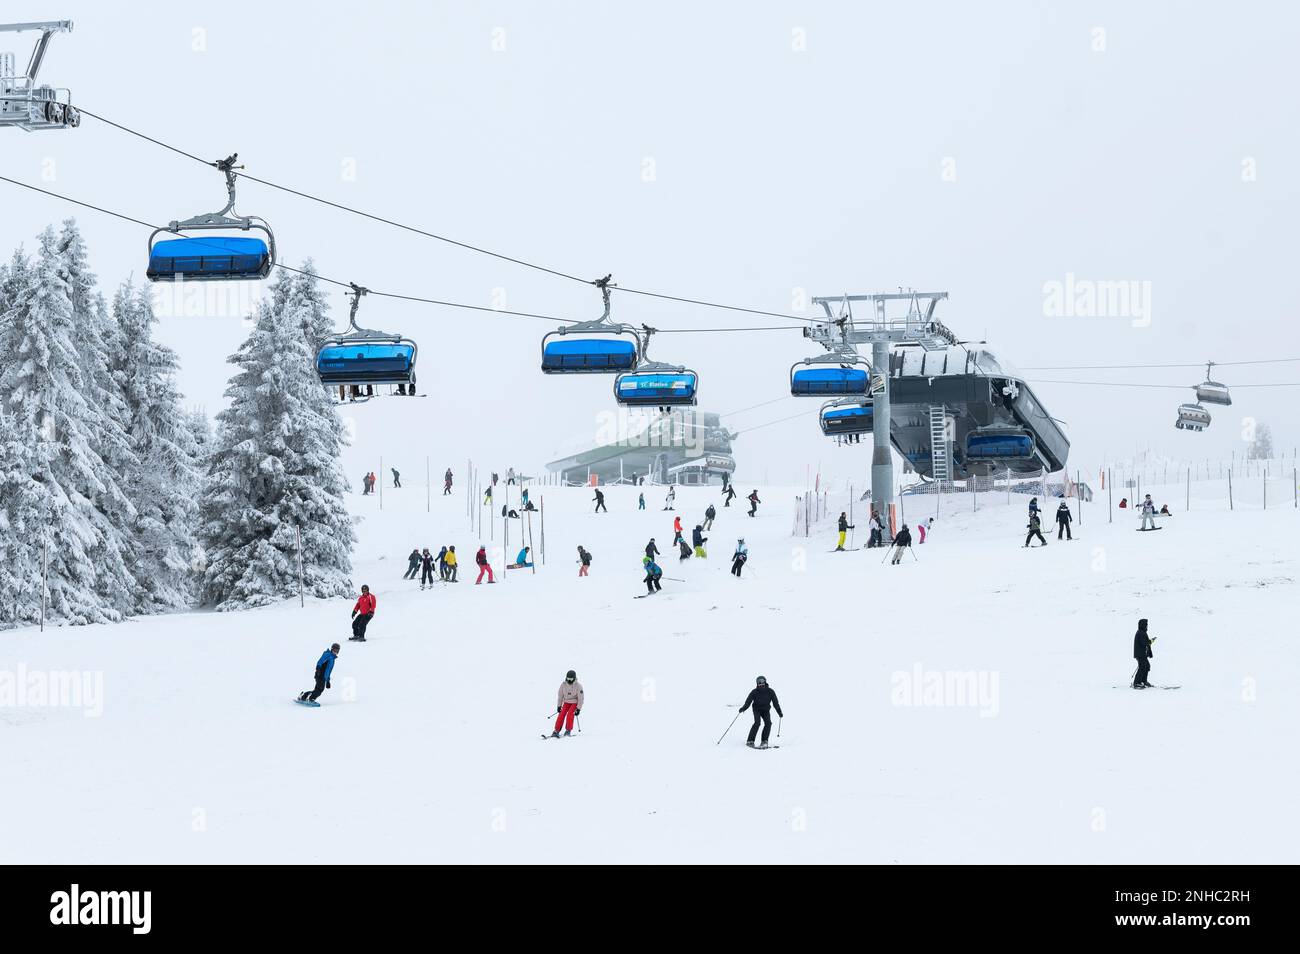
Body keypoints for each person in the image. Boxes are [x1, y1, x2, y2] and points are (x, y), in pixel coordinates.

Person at [739, 675, 783, 748]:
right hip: (757, 709)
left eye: (762, 681)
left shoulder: (770, 691)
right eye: (759, 682)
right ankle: (750, 741)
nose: (760, 683)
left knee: (768, 723)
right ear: (757, 683)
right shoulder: (754, 692)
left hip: (765, 710)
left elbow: (775, 703)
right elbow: (748, 702)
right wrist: (743, 708)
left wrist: (779, 712)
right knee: (757, 723)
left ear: (765, 682)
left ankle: (764, 741)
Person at [551, 670, 584, 737]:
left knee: (570, 714)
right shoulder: (563, 685)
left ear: (574, 678)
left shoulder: (578, 686)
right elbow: (560, 696)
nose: (569, 680)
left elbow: (581, 698)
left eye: (571, 679)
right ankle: (556, 730)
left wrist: (578, 709)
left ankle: (568, 730)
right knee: (561, 714)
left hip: (574, 702)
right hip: (566, 702)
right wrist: (559, 706)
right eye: (568, 678)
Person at [1132, 618, 1155, 689]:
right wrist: (1151, 641)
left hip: (1142, 654)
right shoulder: (1140, 633)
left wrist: (1149, 652)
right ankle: (1137, 683)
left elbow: (1146, 643)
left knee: (1146, 666)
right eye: (1146, 625)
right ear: (1143, 625)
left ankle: (1143, 681)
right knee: (1142, 667)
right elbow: (1144, 643)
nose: (1147, 626)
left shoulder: (1142, 632)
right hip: (1140, 654)